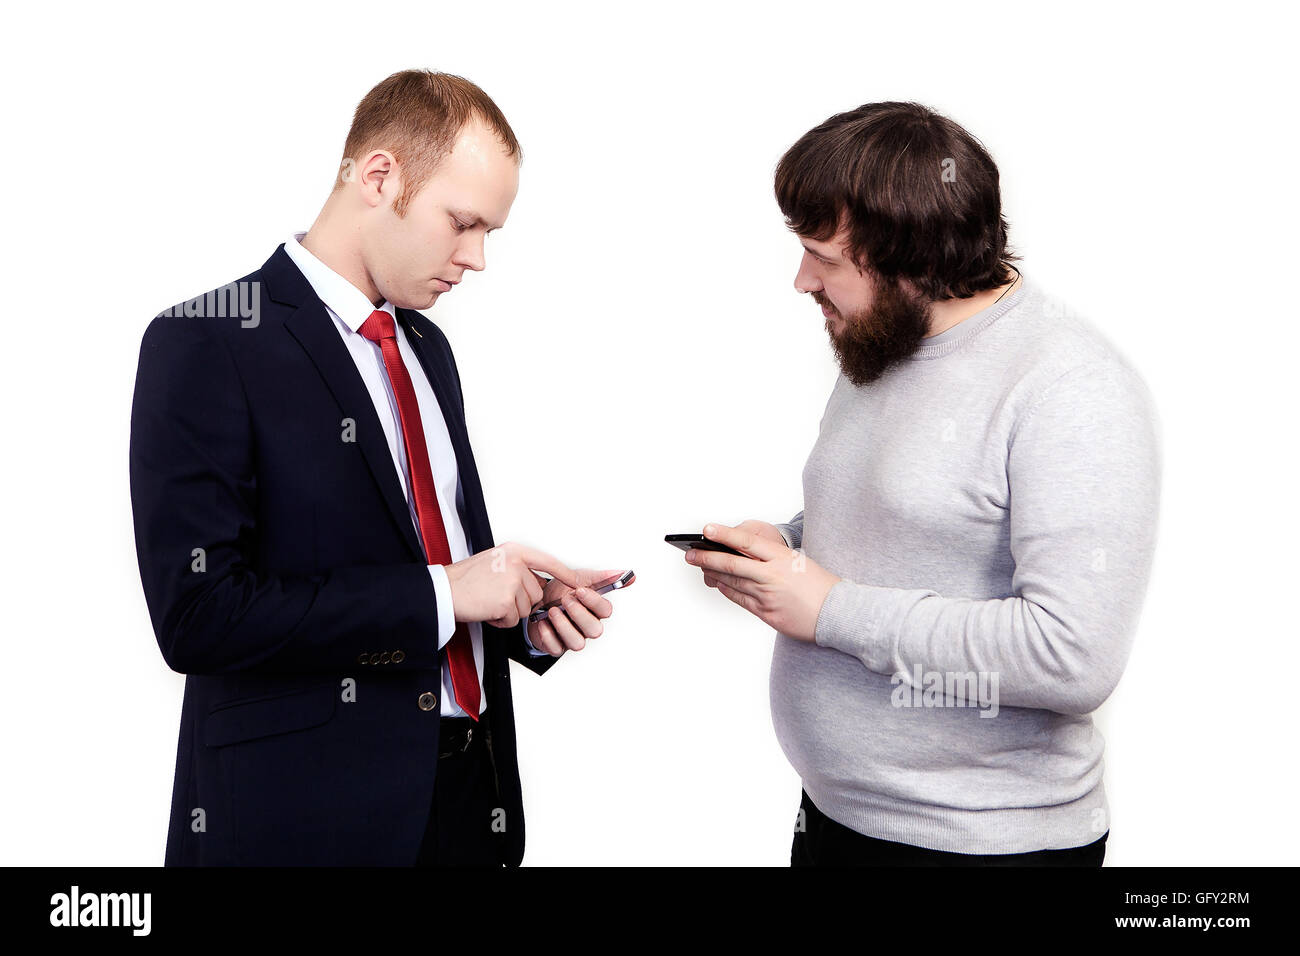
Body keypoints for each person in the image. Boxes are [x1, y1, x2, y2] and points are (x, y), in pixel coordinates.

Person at [129, 69, 627, 866]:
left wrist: (515, 619)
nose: (478, 258)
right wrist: (445, 592)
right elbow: (199, 615)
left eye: (490, 231)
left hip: (469, 810)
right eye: (462, 223)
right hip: (304, 828)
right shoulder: (207, 341)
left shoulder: (427, 346)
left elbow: (428, 569)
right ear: (379, 175)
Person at [683, 101, 1161, 866]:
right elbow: (909, 511)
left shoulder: (1073, 390)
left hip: (980, 851)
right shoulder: (886, 340)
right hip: (835, 820)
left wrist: (830, 607)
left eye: (823, 256)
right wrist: (788, 545)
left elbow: (1074, 656)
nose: (801, 279)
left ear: (914, 258)